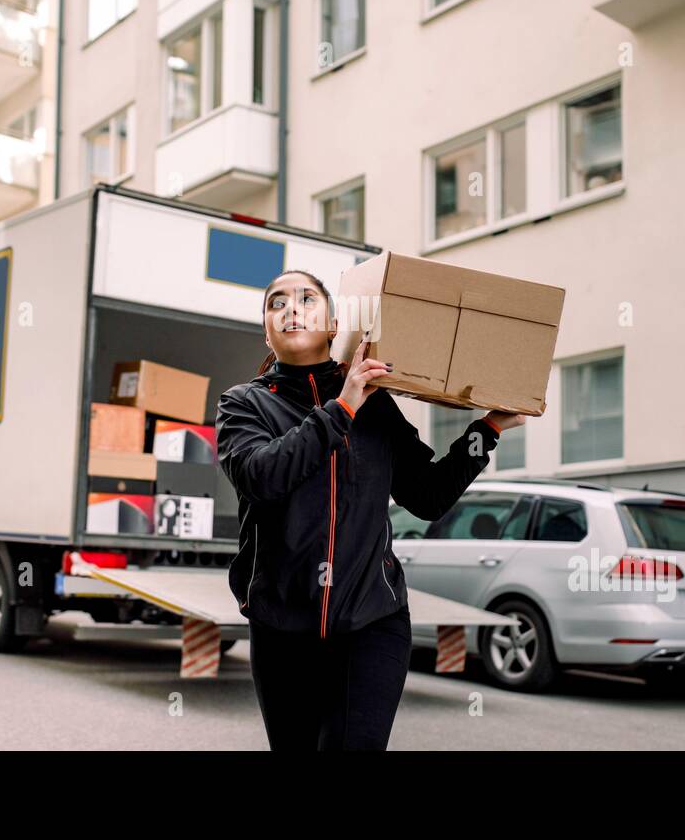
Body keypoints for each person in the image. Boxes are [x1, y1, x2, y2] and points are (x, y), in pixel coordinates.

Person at [215, 268, 533, 750]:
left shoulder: (376, 406)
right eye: (277, 303)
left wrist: (485, 431)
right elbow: (263, 478)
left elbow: (426, 496)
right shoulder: (243, 405)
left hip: (371, 619)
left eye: (305, 299)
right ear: (266, 329)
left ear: (333, 326)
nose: (291, 309)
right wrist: (341, 409)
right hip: (284, 626)